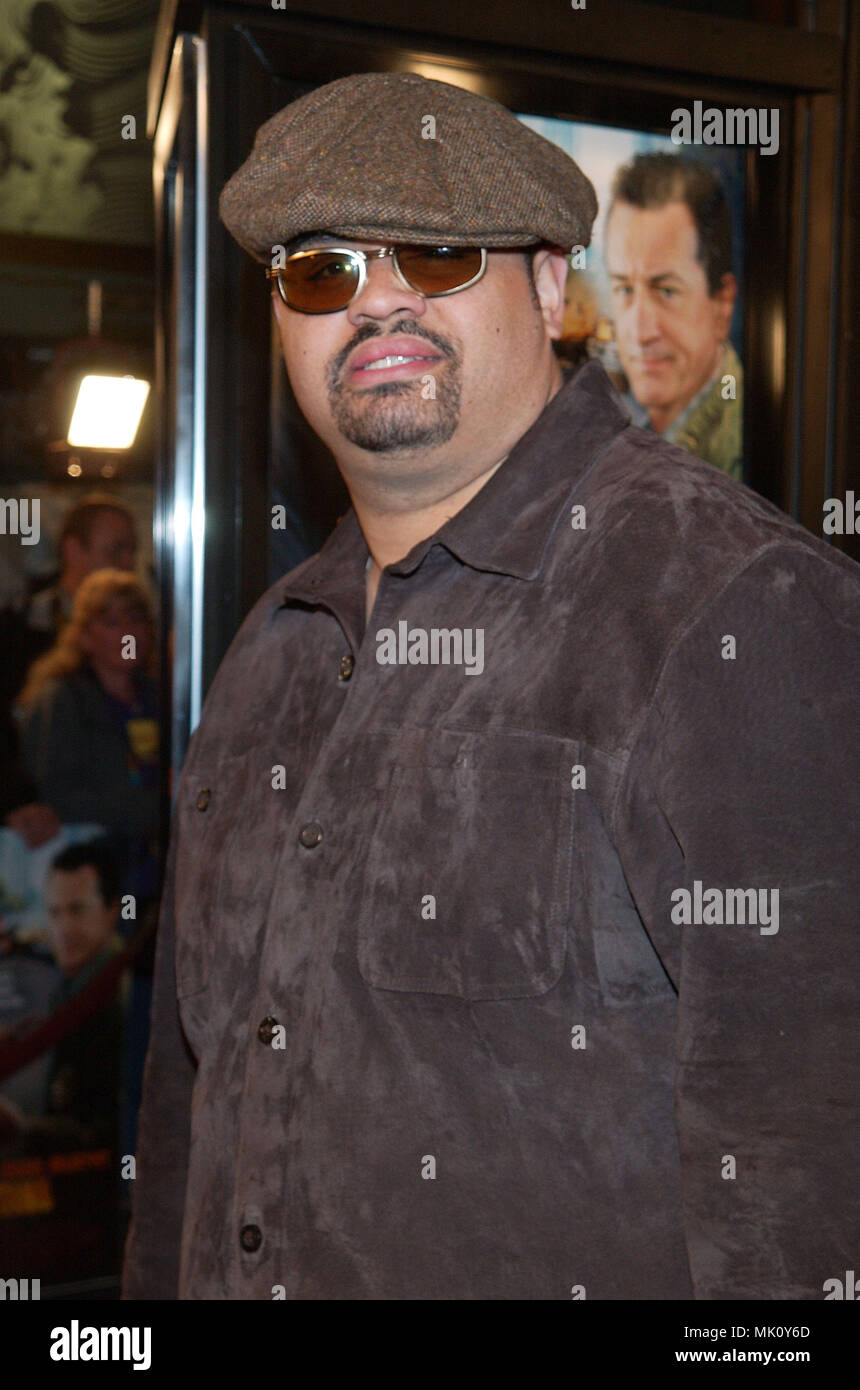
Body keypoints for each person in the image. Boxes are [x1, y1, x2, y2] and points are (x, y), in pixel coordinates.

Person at [123, 72, 859, 1301]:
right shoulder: (274, 646)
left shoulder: (735, 608)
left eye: (438, 250)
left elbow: (809, 1183)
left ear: (550, 285)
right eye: (323, 272)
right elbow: (186, 1104)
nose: (380, 301)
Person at [2, 495, 138, 851]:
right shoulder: (20, 629)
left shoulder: (141, 642)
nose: (128, 564)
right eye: (116, 551)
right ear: (74, 550)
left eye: (132, 551)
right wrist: (14, 801)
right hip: (39, 829)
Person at [16, 569, 159, 907]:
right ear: (84, 636)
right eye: (111, 622)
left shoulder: (161, 699)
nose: (128, 633)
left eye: (135, 619)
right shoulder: (63, 699)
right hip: (85, 879)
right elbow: (52, 794)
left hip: (152, 872)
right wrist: (154, 808)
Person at [604, 152, 743, 478]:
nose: (640, 332)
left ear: (722, 304)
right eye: (624, 289)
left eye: (666, 291)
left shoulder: (754, 445)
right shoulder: (621, 421)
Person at [0, 840, 128, 1155]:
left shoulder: (121, 1001)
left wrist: (23, 1129)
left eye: (77, 909)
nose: (64, 928)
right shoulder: (73, 989)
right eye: (55, 912)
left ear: (113, 909)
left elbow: (112, 1132)